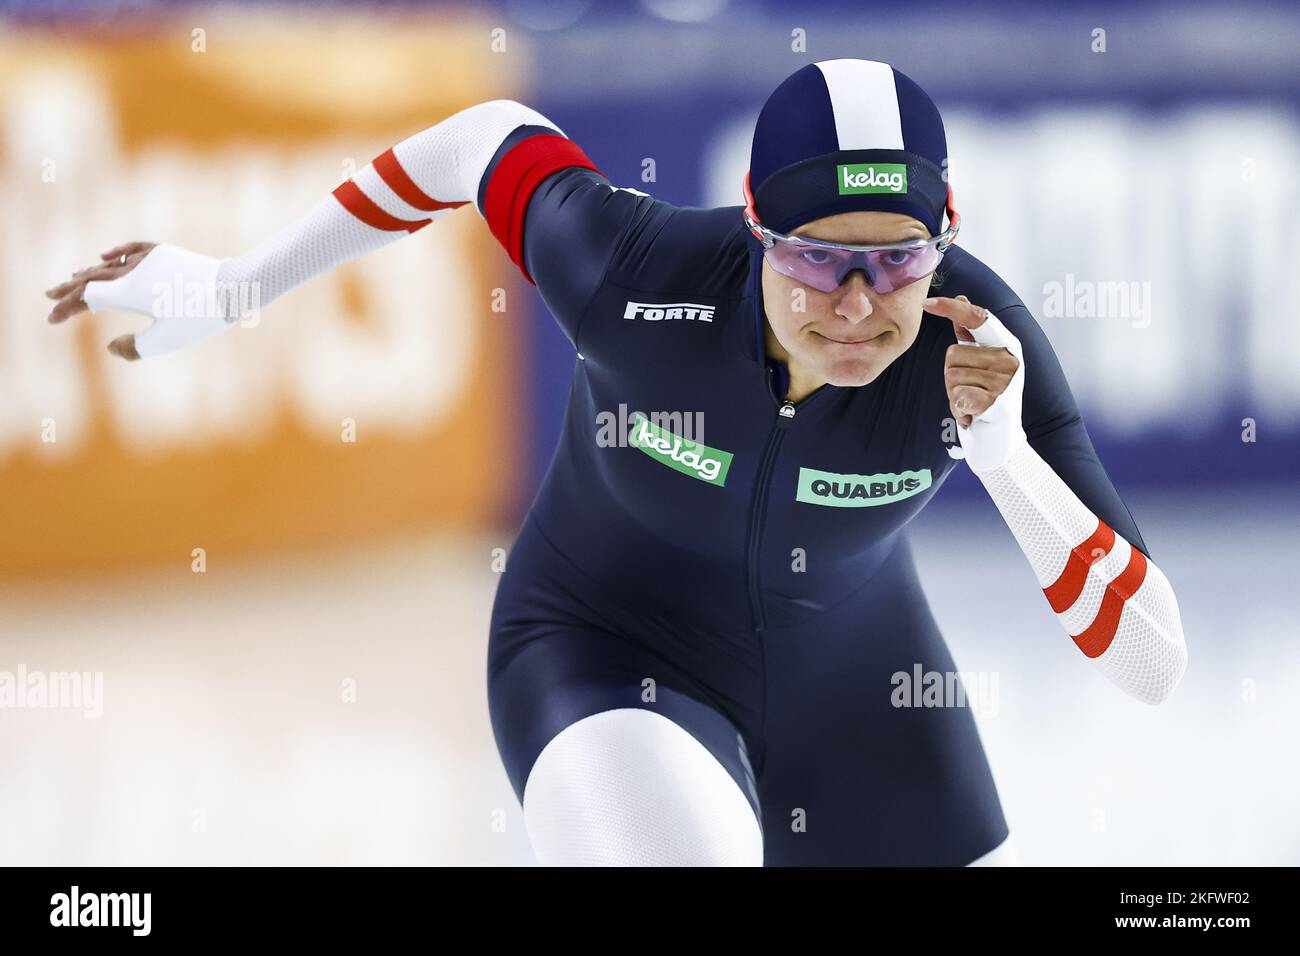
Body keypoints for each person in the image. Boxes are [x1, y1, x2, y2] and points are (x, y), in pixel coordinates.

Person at [45, 58, 1187, 866]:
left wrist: (1004, 463)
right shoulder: (630, 270)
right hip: (605, 652)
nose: (851, 307)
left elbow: (1152, 665)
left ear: (941, 240)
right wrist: (238, 285)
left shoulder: (977, 348)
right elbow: (475, 138)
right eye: (810, 259)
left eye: (892, 263)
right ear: (750, 229)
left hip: (862, 686)